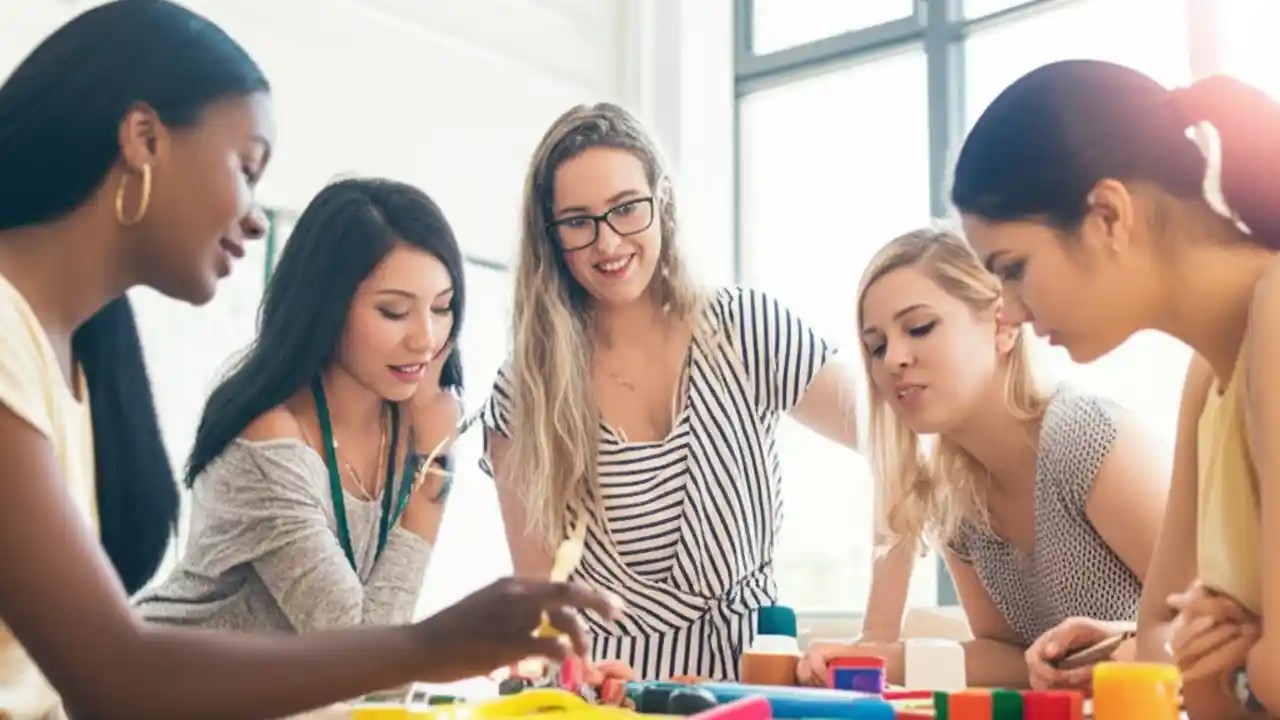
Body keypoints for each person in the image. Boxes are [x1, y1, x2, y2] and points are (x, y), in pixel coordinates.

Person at [0, 3, 618, 718]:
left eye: (442, 308)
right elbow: (112, 672)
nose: (257, 216)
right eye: (246, 167)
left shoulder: (76, 355)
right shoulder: (13, 336)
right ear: (143, 138)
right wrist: (434, 638)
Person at [480, 102, 866, 682]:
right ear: (551, 237)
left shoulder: (746, 329)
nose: (607, 244)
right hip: (615, 699)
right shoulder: (524, 391)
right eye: (579, 222)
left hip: (756, 688)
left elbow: (898, 441)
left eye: (625, 209)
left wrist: (880, 633)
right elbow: (543, 607)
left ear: (662, 203)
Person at [950, 59, 1280, 716]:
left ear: (1106, 213)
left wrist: (1239, 663)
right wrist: (1208, 651)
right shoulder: (1208, 379)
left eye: (1014, 270)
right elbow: (1162, 653)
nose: (1008, 312)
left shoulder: (1275, 315)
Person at [795, 229, 1170, 690]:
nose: (893, 359)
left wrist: (1123, 651)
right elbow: (1010, 657)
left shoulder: (1083, 439)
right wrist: (879, 659)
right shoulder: (957, 501)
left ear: (1003, 326)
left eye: (919, 327)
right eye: (876, 346)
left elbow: (1215, 618)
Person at [136, 177, 464, 631]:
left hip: (278, 699)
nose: (425, 338)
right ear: (326, 305)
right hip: (166, 692)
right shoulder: (271, 443)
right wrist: (433, 473)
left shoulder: (408, 422)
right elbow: (362, 660)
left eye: (442, 307)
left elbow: (380, 674)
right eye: (393, 311)